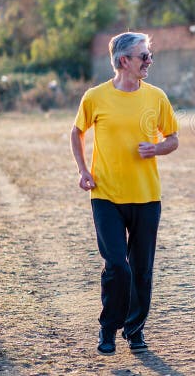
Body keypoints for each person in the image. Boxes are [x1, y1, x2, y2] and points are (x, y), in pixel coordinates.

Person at [70, 32, 179, 356]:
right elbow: (77, 132)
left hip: (146, 196)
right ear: (123, 61)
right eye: (143, 56)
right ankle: (108, 328)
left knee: (141, 269)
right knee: (118, 265)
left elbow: (172, 139)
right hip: (105, 194)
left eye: (149, 55)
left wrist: (156, 148)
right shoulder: (95, 97)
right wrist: (83, 170)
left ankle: (135, 330)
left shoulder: (156, 97)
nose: (149, 61)